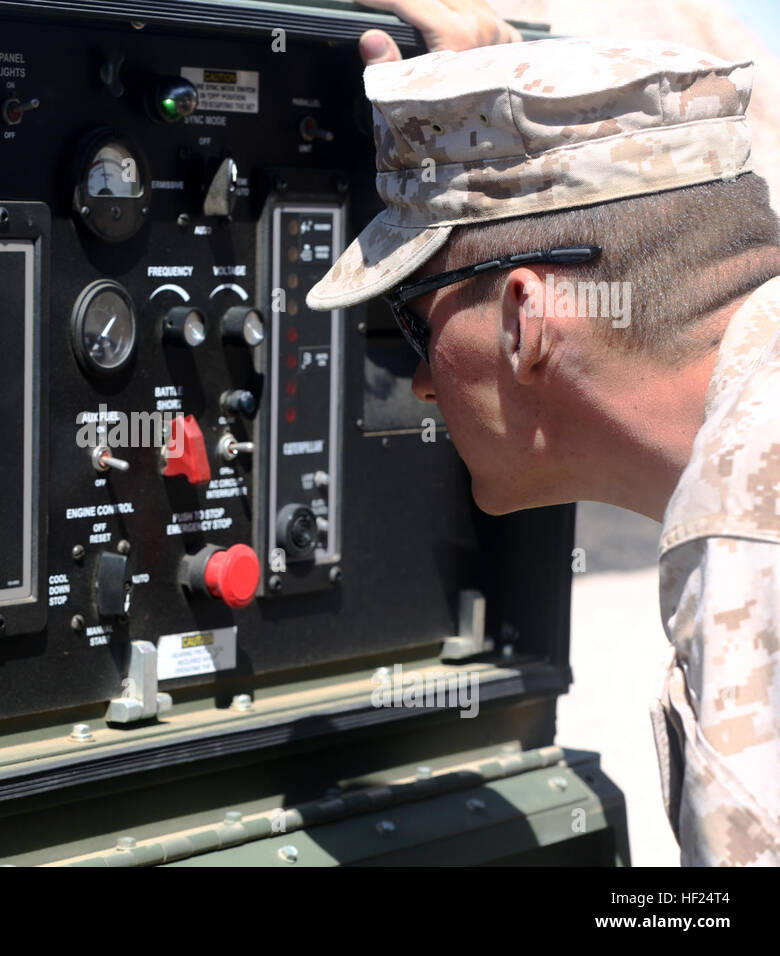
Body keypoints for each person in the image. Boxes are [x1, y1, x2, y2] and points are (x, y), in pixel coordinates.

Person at [312, 3, 780, 865]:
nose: (418, 382)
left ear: (525, 323)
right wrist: (493, 101)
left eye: (414, 326)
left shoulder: (749, 541)